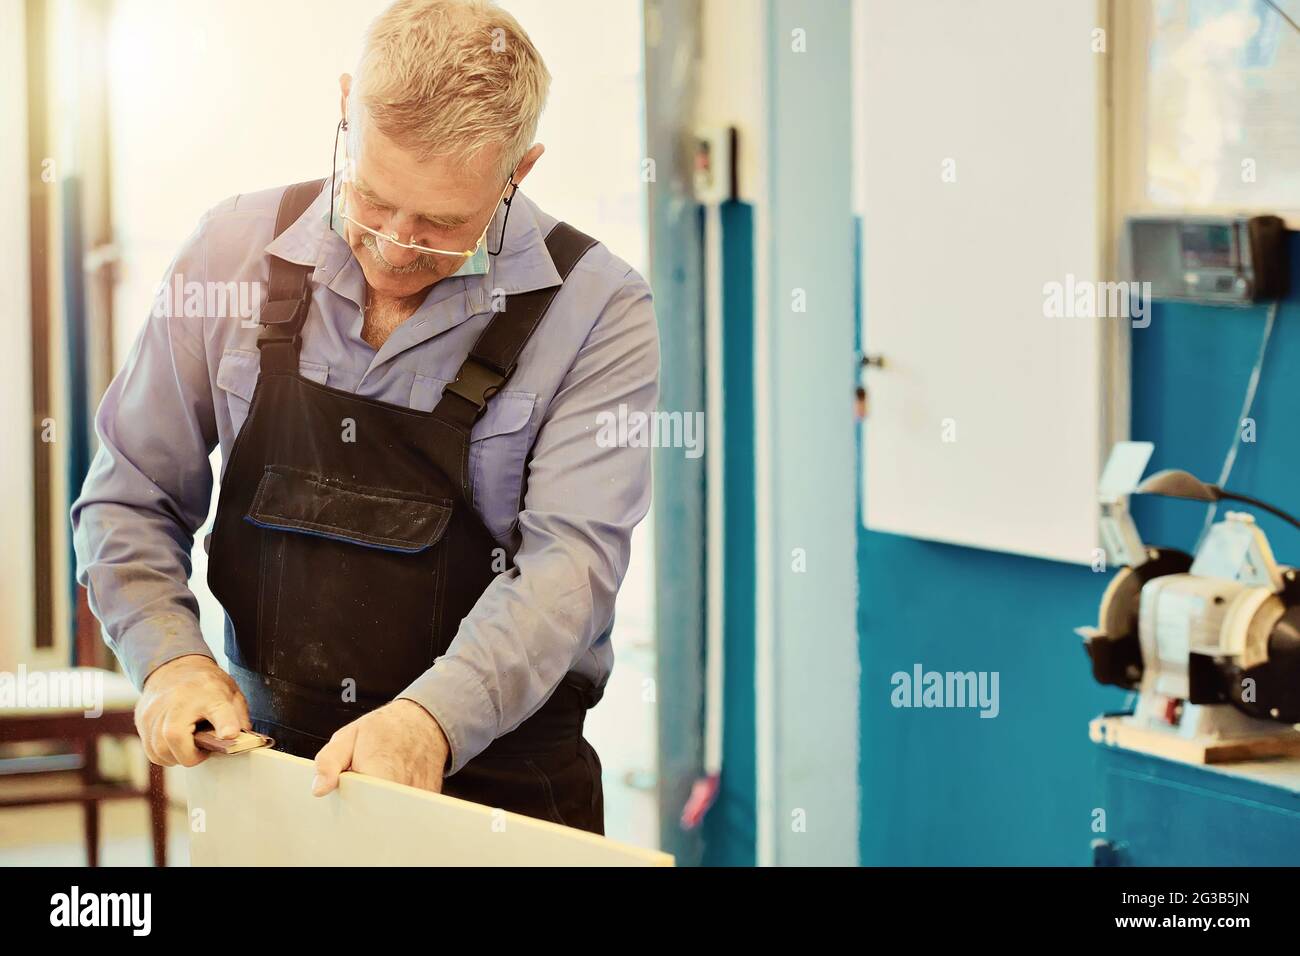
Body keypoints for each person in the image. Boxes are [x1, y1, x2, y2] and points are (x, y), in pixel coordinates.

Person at [71, 0, 658, 835]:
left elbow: (570, 565)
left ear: (518, 170)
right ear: (347, 106)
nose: (392, 247)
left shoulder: (599, 309)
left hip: (503, 789)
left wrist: (432, 722)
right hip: (267, 768)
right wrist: (171, 659)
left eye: (442, 227)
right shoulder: (228, 253)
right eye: (374, 201)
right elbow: (129, 495)